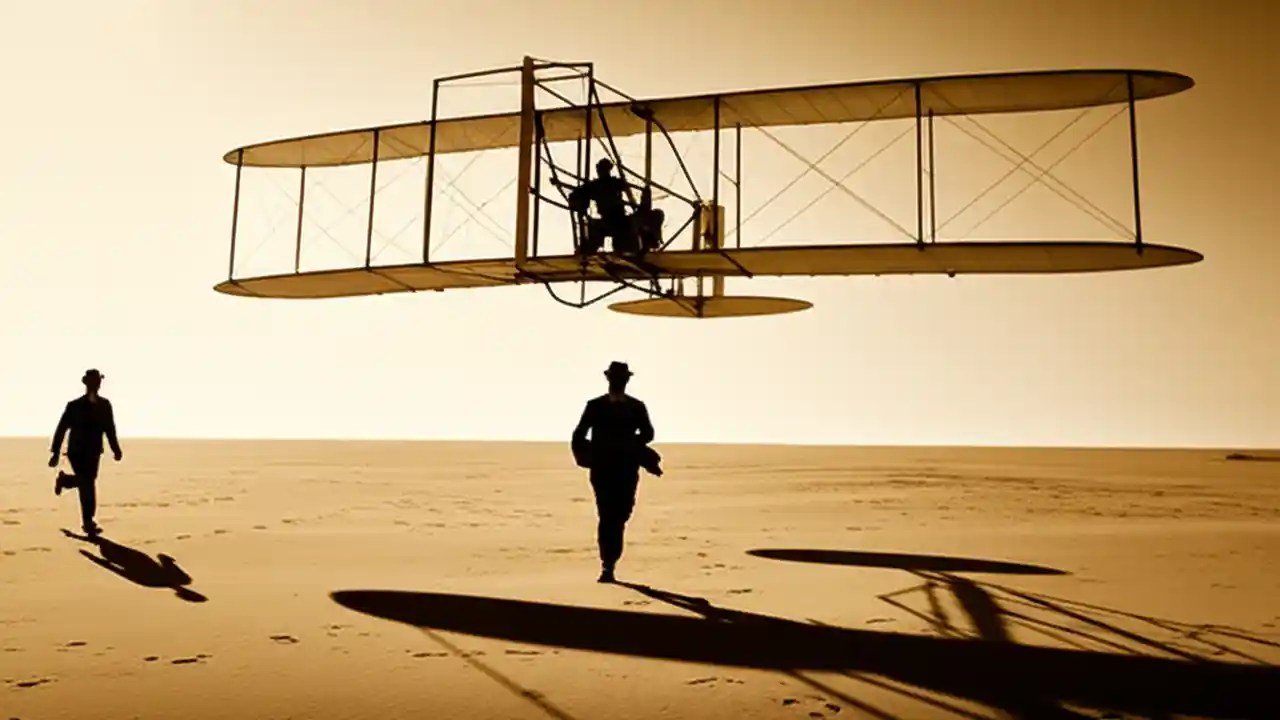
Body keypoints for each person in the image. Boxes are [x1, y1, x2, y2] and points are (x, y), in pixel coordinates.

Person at [571, 361, 659, 583]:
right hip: (603, 468)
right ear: (608, 379)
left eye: (622, 378)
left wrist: (631, 444)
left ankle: (610, 561)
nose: (619, 381)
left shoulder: (637, 407)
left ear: (626, 380)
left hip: (626, 468)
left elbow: (648, 432)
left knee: (622, 514)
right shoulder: (595, 406)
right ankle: (608, 564)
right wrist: (587, 457)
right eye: (615, 377)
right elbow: (579, 434)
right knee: (607, 515)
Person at [49, 369, 123, 536]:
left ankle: (66, 481)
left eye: (98, 382)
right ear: (87, 383)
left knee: (87, 482)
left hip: (94, 451)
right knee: (87, 483)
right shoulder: (74, 406)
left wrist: (115, 448)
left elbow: (110, 428)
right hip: (76, 451)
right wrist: (55, 452)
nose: (96, 385)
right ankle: (88, 522)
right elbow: (61, 428)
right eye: (93, 382)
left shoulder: (105, 405)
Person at [568, 158, 637, 255]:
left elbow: (626, 189)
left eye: (603, 169)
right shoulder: (597, 185)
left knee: (626, 231)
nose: (601, 172)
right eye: (600, 169)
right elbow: (579, 193)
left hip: (618, 218)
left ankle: (625, 249)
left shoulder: (612, 183)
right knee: (595, 230)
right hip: (608, 218)